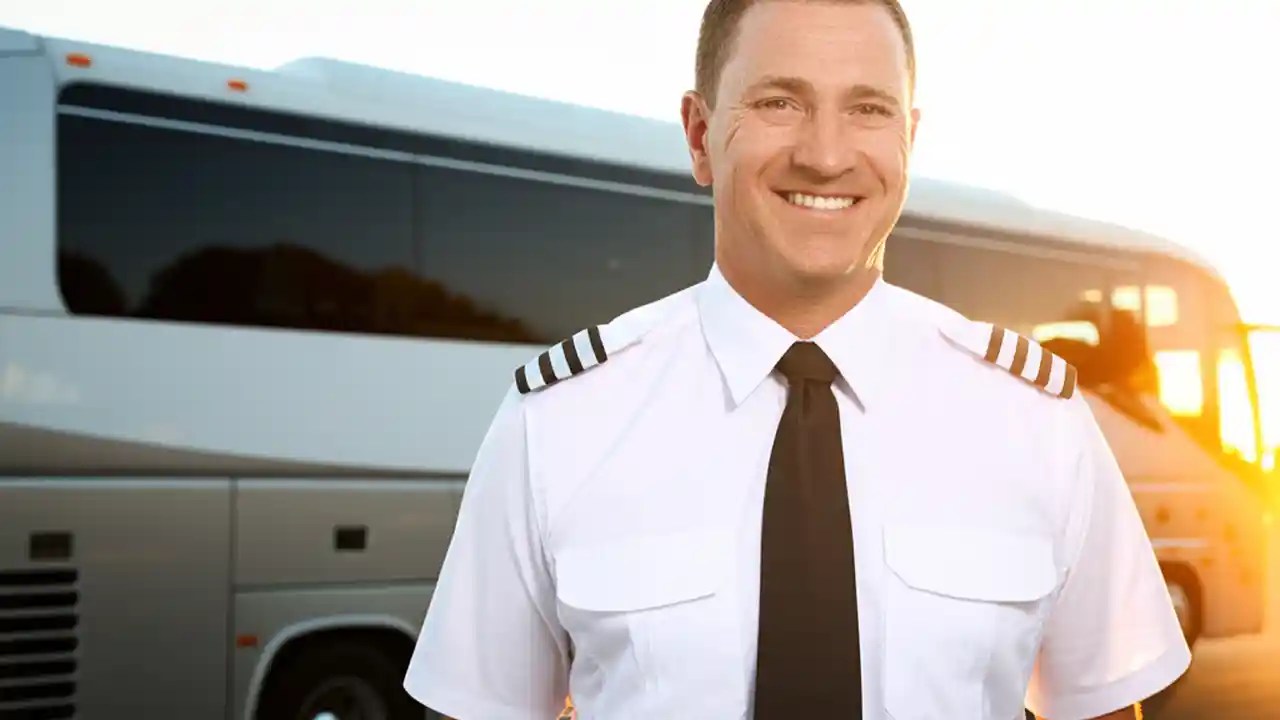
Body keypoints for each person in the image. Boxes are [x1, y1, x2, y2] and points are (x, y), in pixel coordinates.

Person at [402, 1, 1192, 718]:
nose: (825, 155)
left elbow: (1100, 709)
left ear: (909, 141)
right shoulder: (557, 425)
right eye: (780, 102)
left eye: (868, 109)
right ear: (699, 134)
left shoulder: (1037, 423)